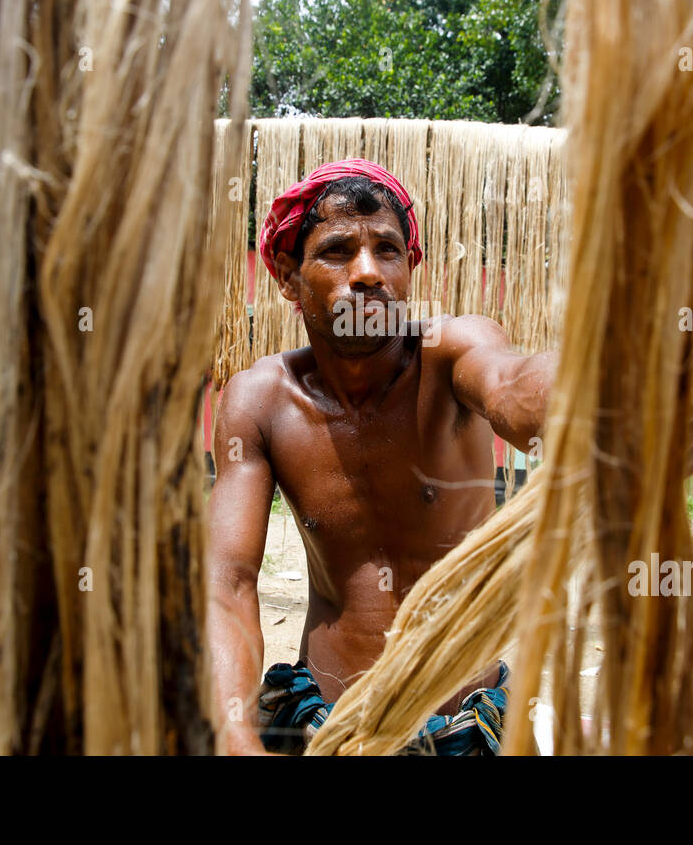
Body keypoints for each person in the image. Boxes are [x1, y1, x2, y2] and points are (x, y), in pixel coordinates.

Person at [207, 159, 557, 755]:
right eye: (338, 251)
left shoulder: (451, 355)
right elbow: (227, 580)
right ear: (289, 278)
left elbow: (516, 388)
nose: (368, 272)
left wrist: (604, 397)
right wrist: (234, 731)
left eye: (388, 250)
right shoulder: (261, 400)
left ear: (410, 267)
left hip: (466, 728)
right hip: (322, 724)